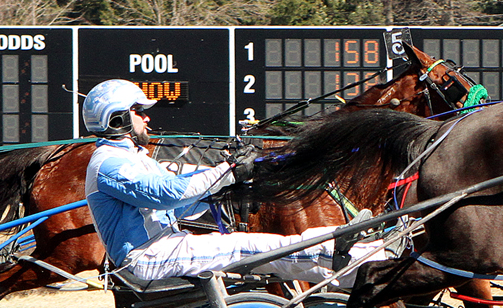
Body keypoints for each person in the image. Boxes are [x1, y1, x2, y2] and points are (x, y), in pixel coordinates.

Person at [82, 79, 380, 288]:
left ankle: (360, 260)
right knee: (253, 245)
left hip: (166, 247)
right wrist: (229, 170)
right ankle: (355, 254)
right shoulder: (110, 165)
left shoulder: (133, 158)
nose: (147, 118)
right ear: (116, 119)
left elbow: (180, 206)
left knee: (272, 255)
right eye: (139, 111)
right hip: (148, 259)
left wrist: (230, 187)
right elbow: (169, 194)